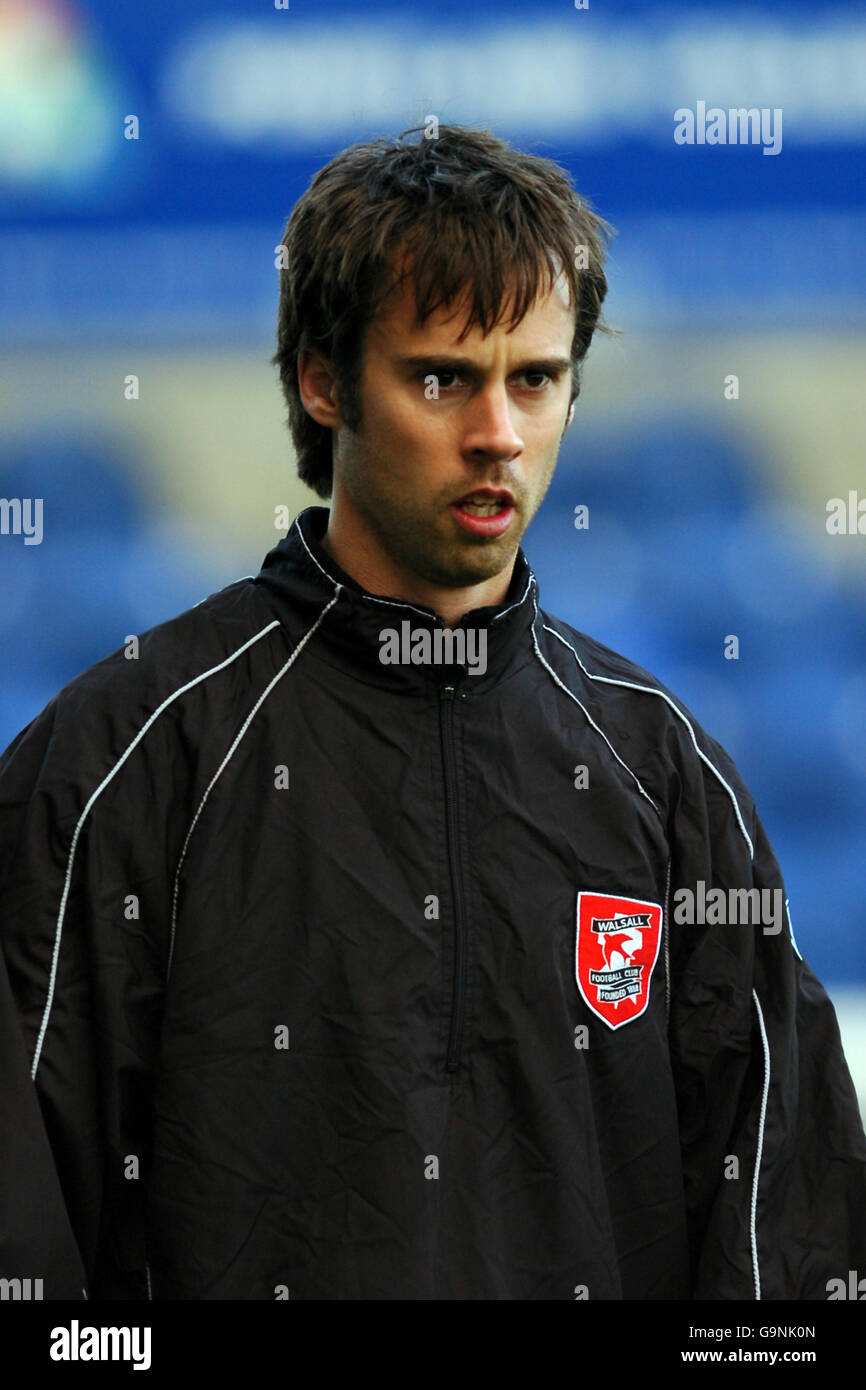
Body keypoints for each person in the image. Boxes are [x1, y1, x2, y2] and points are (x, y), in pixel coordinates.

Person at [1, 124, 864, 1302]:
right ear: (320, 379)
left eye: (536, 379)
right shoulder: (118, 764)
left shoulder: (662, 774)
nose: (497, 433)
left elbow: (783, 1235)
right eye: (440, 377)